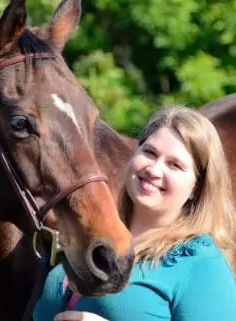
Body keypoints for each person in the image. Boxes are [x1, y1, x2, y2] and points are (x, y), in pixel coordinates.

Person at [33, 106, 236, 321]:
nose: (154, 170)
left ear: (197, 188)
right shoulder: (95, 240)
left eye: (174, 165)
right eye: (149, 152)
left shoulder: (201, 265)